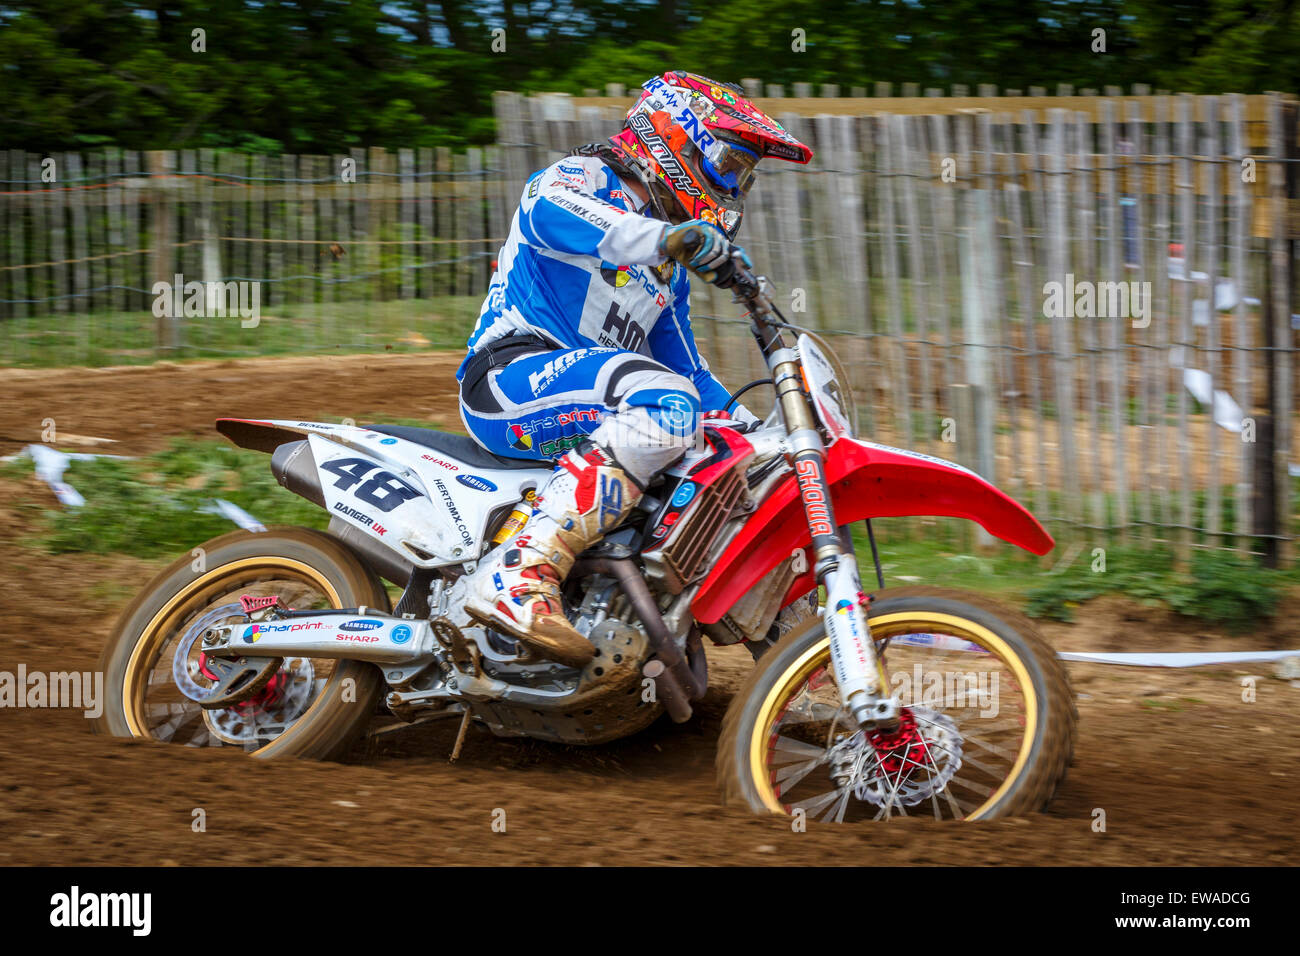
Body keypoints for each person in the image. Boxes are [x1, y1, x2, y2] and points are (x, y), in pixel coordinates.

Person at [457, 70, 813, 667]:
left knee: (739, 456)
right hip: (509, 376)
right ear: (678, 133)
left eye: (745, 174)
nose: (735, 184)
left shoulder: (664, 274)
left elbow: (693, 376)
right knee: (666, 407)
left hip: (595, 400)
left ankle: (799, 660)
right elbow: (551, 214)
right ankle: (519, 574)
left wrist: (767, 440)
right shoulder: (581, 179)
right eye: (729, 163)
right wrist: (667, 238)